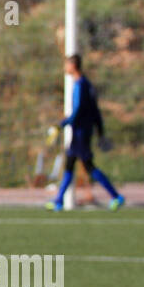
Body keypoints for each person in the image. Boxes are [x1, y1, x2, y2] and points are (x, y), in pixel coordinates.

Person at [47, 53, 124, 212]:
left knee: (88, 167)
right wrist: (100, 130)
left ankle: (116, 196)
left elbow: (77, 112)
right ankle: (59, 200)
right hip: (83, 131)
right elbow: (95, 111)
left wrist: (61, 125)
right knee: (70, 165)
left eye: (66, 64)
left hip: (81, 132)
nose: (65, 68)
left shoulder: (80, 85)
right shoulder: (87, 85)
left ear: (73, 66)